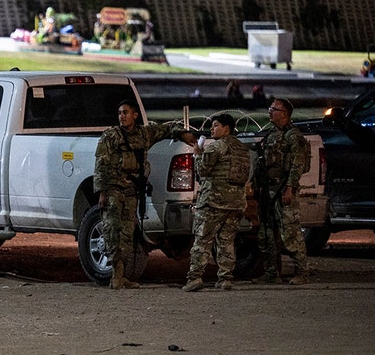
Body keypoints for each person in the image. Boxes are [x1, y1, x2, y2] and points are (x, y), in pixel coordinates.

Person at [94, 100, 197, 289]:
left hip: (132, 191)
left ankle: (120, 276)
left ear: (135, 115)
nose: (122, 116)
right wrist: (102, 192)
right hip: (114, 190)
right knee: (112, 230)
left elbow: (166, 128)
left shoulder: (144, 133)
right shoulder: (111, 136)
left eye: (125, 112)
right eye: (119, 113)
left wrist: (182, 134)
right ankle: (116, 274)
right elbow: (101, 165)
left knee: (127, 233)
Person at [182, 114, 250, 292]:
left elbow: (202, 170)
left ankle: (195, 277)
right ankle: (225, 278)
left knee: (202, 240)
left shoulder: (216, 147)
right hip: (235, 203)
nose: (212, 129)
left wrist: (197, 154)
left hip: (214, 201)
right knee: (227, 241)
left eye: (216, 126)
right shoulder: (242, 148)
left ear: (226, 128)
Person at [252, 98, 311, 285]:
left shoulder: (293, 136)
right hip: (268, 191)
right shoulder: (271, 135)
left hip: (283, 190)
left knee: (290, 234)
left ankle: (302, 272)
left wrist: (289, 188)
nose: (270, 112)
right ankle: (271, 272)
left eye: (274, 109)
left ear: (284, 113)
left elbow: (297, 165)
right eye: (270, 108)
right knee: (266, 234)